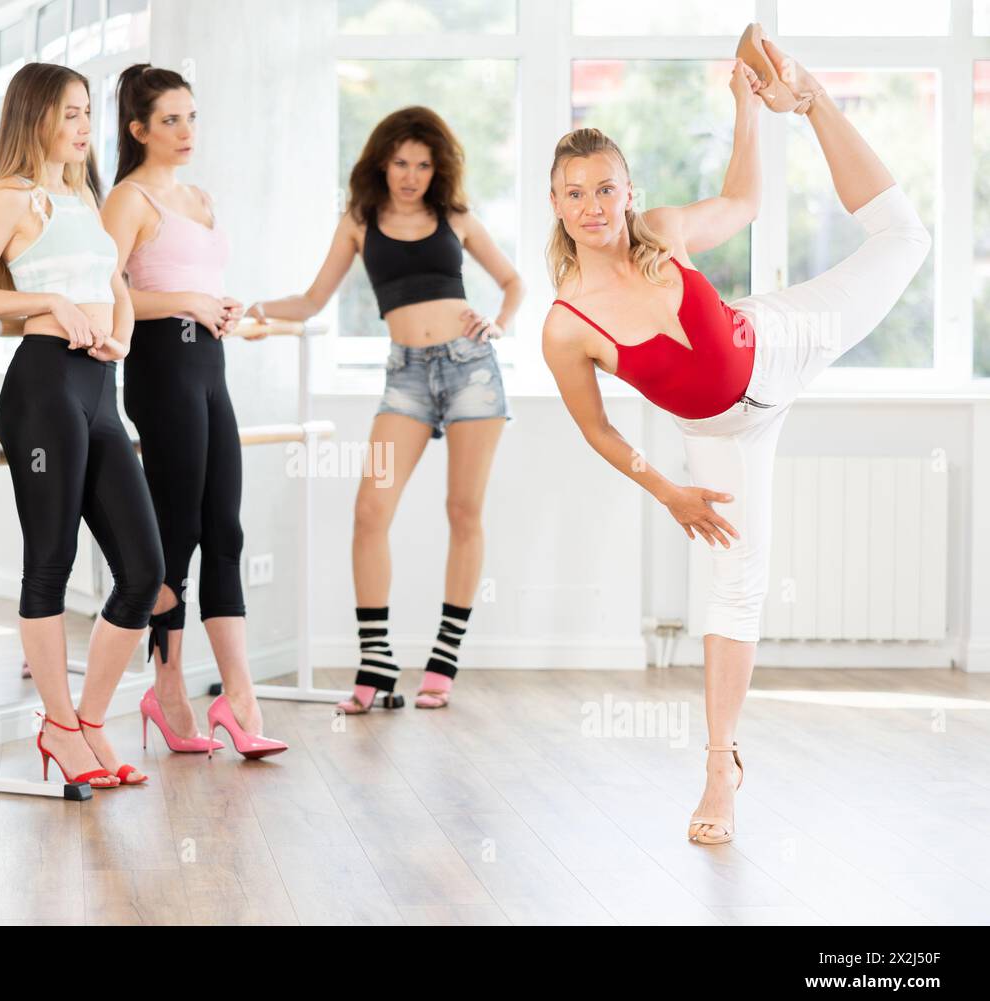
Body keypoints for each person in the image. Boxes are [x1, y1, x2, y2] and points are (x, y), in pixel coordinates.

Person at [541, 26, 930, 844]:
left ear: (629, 191)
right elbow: (597, 430)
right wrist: (668, 488)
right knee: (737, 584)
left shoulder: (667, 234)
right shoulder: (566, 324)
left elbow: (747, 200)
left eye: (606, 188)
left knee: (907, 238)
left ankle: (816, 94)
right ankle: (722, 767)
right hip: (722, 436)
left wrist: (750, 103)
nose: (593, 207)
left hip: (779, 340)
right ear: (556, 203)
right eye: (575, 193)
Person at [251, 105, 523, 713]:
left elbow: (514, 282)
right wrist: (246, 311)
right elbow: (310, 300)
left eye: (423, 165)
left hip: (471, 370)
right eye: (401, 162)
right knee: (370, 511)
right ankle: (375, 658)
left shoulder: (455, 216)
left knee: (463, 510)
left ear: (438, 169)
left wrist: (499, 325)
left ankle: (443, 660)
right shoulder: (359, 220)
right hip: (406, 377)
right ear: (382, 163)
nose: (410, 176)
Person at [0, 61, 161, 788]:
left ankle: (86, 721)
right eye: (70, 113)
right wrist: (48, 300)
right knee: (51, 562)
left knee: (145, 570)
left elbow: (115, 282)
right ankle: (59, 726)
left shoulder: (81, 193)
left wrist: (124, 334)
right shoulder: (9, 198)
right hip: (43, 388)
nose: (83, 127)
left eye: (86, 113)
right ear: (36, 116)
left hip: (102, 387)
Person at [100, 63, 288, 759]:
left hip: (210, 369)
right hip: (161, 370)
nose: (185, 131)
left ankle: (240, 700)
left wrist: (220, 304)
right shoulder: (128, 199)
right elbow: (108, 294)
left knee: (226, 531)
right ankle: (168, 687)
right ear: (139, 129)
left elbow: (195, 283)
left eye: (192, 117)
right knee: (174, 536)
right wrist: (186, 303)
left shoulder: (201, 199)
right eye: (170, 119)